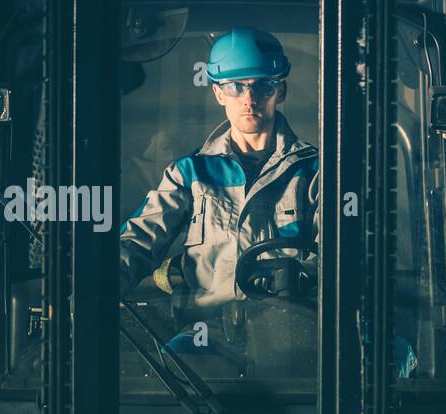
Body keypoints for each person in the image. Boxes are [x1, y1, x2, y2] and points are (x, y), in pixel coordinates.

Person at [119, 27, 319, 324]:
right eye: (235, 87)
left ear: (280, 91)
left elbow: (341, 262)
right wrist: (94, 289)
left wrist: (304, 279)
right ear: (218, 93)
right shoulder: (189, 174)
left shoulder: (316, 174)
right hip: (206, 337)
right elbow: (138, 241)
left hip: (292, 336)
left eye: (262, 85)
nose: (249, 99)